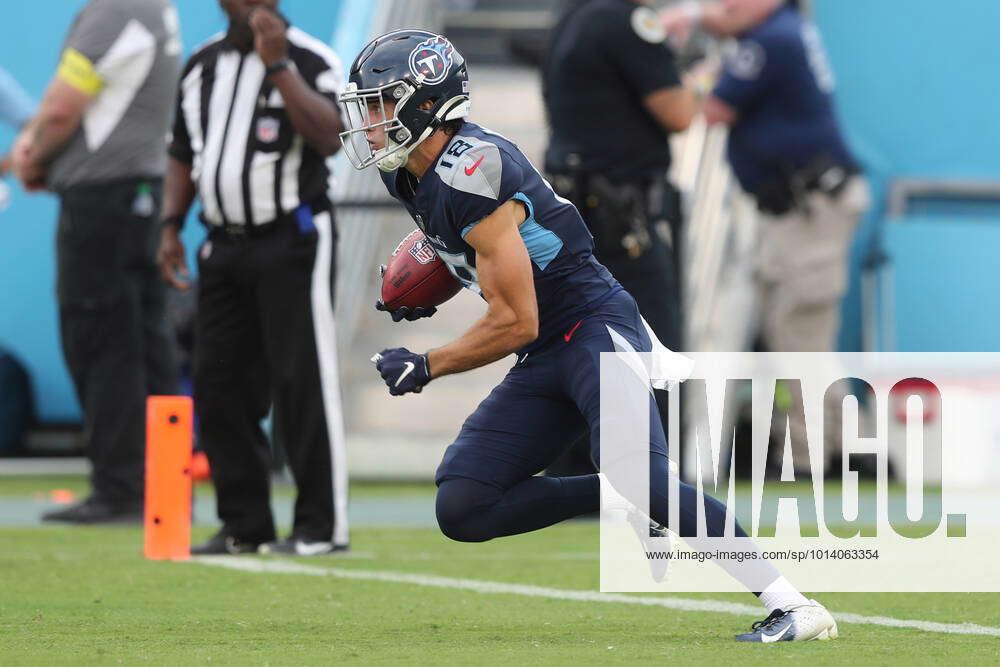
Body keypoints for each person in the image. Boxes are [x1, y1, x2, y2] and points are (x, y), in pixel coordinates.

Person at [341, 29, 839, 643]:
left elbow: (513, 317)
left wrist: (428, 364)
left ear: (424, 102)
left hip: (593, 328)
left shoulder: (473, 170)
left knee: (645, 475)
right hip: (547, 347)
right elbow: (479, 255)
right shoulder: (411, 174)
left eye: (380, 104)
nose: (368, 122)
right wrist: (435, 274)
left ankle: (794, 603)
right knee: (464, 505)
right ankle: (615, 500)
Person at [156, 0, 349, 556]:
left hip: (292, 237)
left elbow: (330, 138)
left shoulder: (312, 59)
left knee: (300, 380)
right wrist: (170, 224)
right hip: (222, 242)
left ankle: (320, 527)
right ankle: (245, 524)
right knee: (218, 385)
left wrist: (278, 65)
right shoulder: (202, 64)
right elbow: (180, 151)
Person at [661, 0, 869, 470]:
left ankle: (808, 457)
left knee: (799, 333)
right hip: (801, 206)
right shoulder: (781, 30)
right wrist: (694, 19)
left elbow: (709, 109)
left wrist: (688, 71)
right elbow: (730, 20)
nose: (729, 3)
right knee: (795, 333)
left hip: (810, 208)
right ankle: (843, 444)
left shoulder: (771, 39)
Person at [11, 0, 181, 523]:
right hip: (142, 192)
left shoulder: (114, 10)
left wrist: (33, 155)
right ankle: (164, 489)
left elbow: (63, 109)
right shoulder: (158, 9)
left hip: (101, 199)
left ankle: (119, 489)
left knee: (100, 342)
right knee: (146, 347)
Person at [543, 0, 698, 471]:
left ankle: (574, 479)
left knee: (580, 343)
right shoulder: (629, 22)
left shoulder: (573, 15)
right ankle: (650, 481)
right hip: (620, 219)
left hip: (575, 214)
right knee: (657, 353)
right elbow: (679, 113)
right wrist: (698, 73)